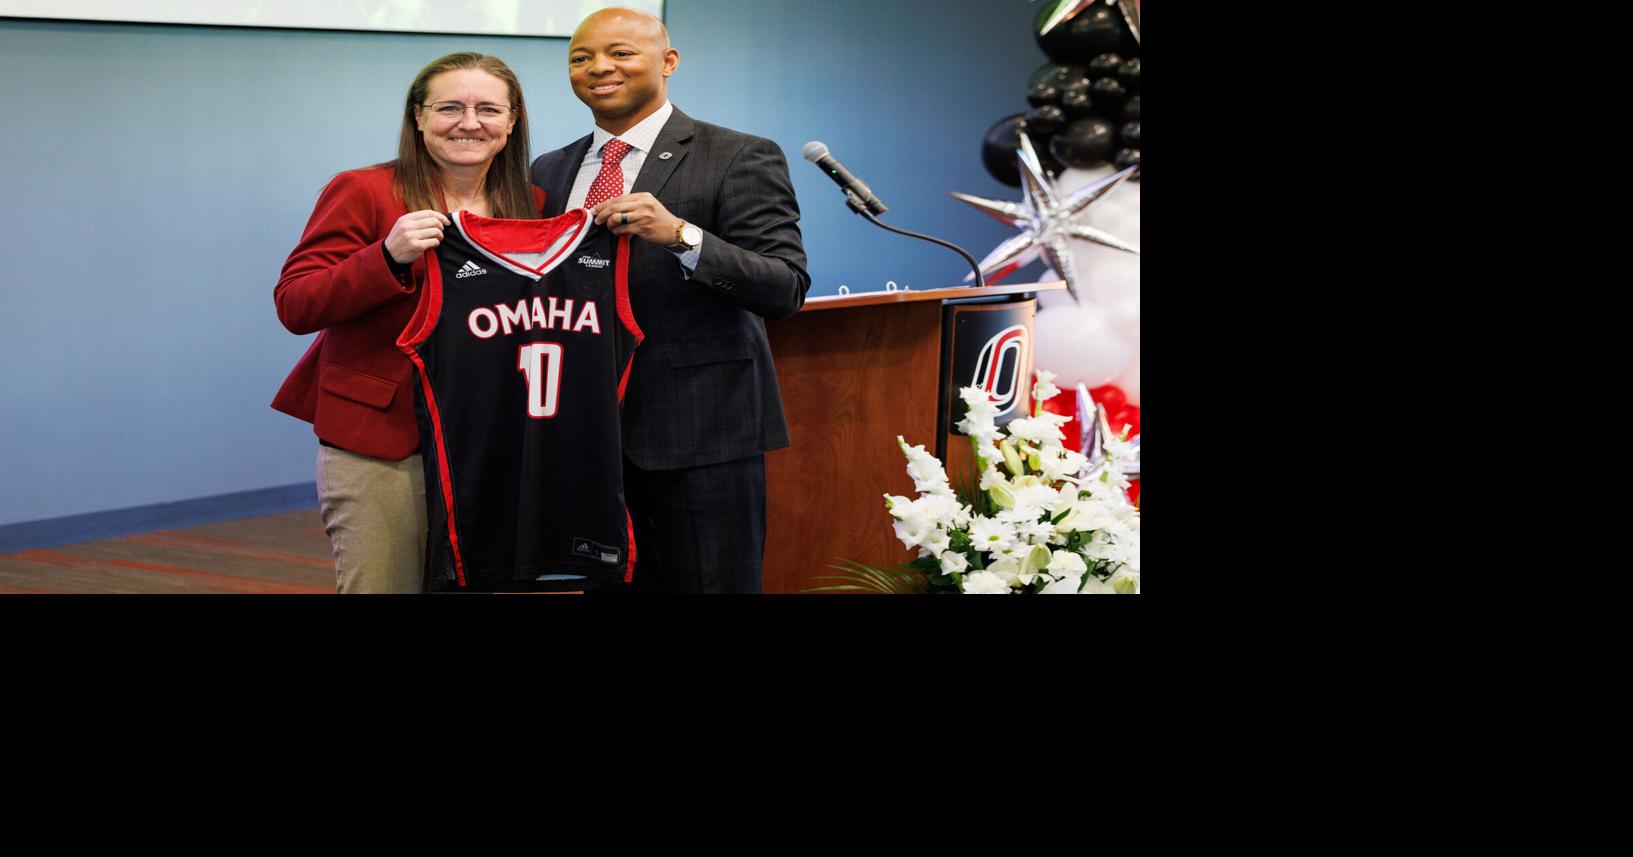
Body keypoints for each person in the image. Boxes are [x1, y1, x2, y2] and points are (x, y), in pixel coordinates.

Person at [531, 7, 810, 593]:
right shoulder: (550, 169)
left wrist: (682, 237)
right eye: (580, 58)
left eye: (620, 53)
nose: (598, 67)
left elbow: (784, 286)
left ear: (668, 61)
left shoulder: (738, 154)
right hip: (586, 436)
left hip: (703, 433)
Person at [272, 52, 544, 593]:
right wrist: (386, 257)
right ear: (418, 117)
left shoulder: (532, 205)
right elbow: (296, 304)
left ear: (511, 122)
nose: (470, 122)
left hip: (490, 442)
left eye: (488, 108)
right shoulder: (364, 190)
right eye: (449, 107)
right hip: (384, 443)